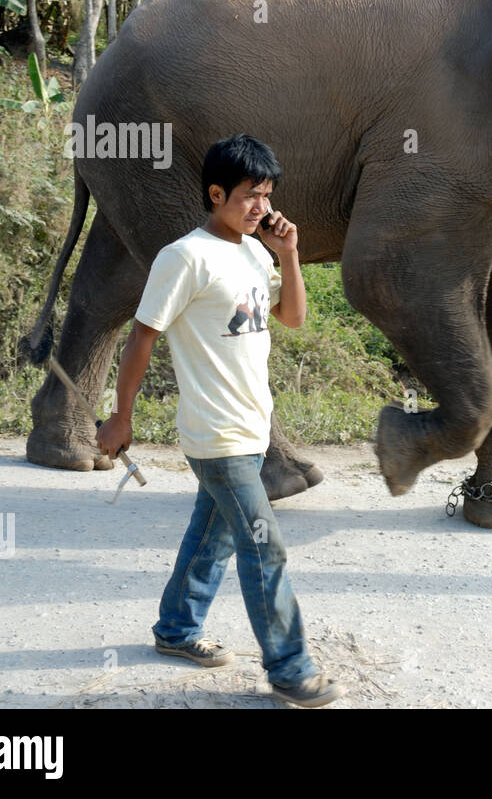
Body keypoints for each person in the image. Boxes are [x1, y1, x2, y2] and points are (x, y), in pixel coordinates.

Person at [96, 133, 342, 708]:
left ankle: (177, 630)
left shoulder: (256, 252)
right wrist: (119, 416)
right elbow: (141, 337)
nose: (262, 206)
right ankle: (291, 669)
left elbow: (293, 318)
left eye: (268, 194)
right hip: (216, 433)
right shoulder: (184, 257)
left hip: (254, 427)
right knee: (264, 547)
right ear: (215, 193)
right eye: (251, 195)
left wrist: (289, 254)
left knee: (215, 534)